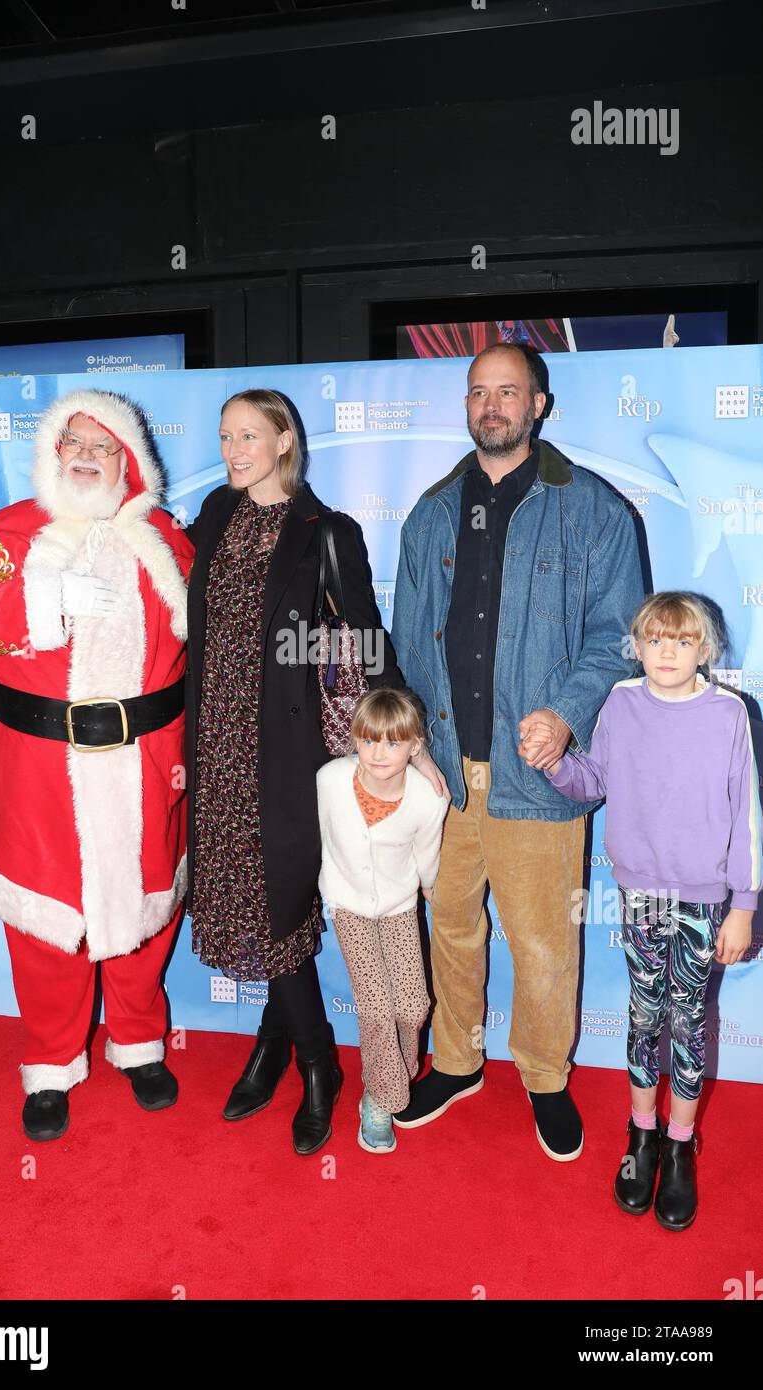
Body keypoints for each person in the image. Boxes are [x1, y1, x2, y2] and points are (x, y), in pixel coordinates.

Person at [390, 342, 644, 1160]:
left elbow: (620, 639)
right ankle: (459, 1061)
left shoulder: (594, 509)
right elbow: (405, 639)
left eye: (508, 391)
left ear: (540, 404)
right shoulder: (432, 510)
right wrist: (418, 739)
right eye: (478, 392)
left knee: (542, 940)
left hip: (536, 769)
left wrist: (567, 715)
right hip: (446, 771)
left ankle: (544, 1076)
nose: (491, 405)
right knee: (452, 928)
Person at [0, 390, 194, 1140]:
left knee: (145, 910)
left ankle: (139, 1045)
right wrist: (32, 598)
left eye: (101, 445)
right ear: (50, 452)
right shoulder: (14, 533)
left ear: (129, 462)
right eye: (70, 440)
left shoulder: (167, 540)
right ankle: (50, 1064)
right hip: (39, 765)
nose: (83, 453)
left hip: (147, 760)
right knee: (47, 922)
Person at [183, 388, 445, 1156]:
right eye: (225, 435)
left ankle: (318, 1066)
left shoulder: (326, 531)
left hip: (288, 750)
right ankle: (275, 1045)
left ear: (285, 440)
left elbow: (366, 637)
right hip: (217, 743)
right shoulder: (213, 516)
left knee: (279, 904)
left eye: (249, 436)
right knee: (251, 905)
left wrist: (412, 736)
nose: (234, 450)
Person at [535, 592, 761, 1227]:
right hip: (642, 894)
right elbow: (594, 780)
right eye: (656, 639)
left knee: (688, 1021)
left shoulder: (730, 714)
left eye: (683, 640)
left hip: (703, 898)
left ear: (705, 650)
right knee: (644, 1014)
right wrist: (556, 765)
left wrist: (744, 907)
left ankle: (681, 1145)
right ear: (636, 646)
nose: (668, 651)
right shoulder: (621, 704)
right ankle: (641, 1135)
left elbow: (747, 816)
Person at [316, 688, 448, 1153]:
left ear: (415, 746)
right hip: (349, 905)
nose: (378, 753)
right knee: (376, 1009)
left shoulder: (428, 798)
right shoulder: (330, 780)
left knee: (412, 1007)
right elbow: (314, 832)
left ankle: (392, 1075)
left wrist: (430, 889)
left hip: (398, 906)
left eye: (393, 743)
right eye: (369, 741)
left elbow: (426, 854)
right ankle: (380, 1099)